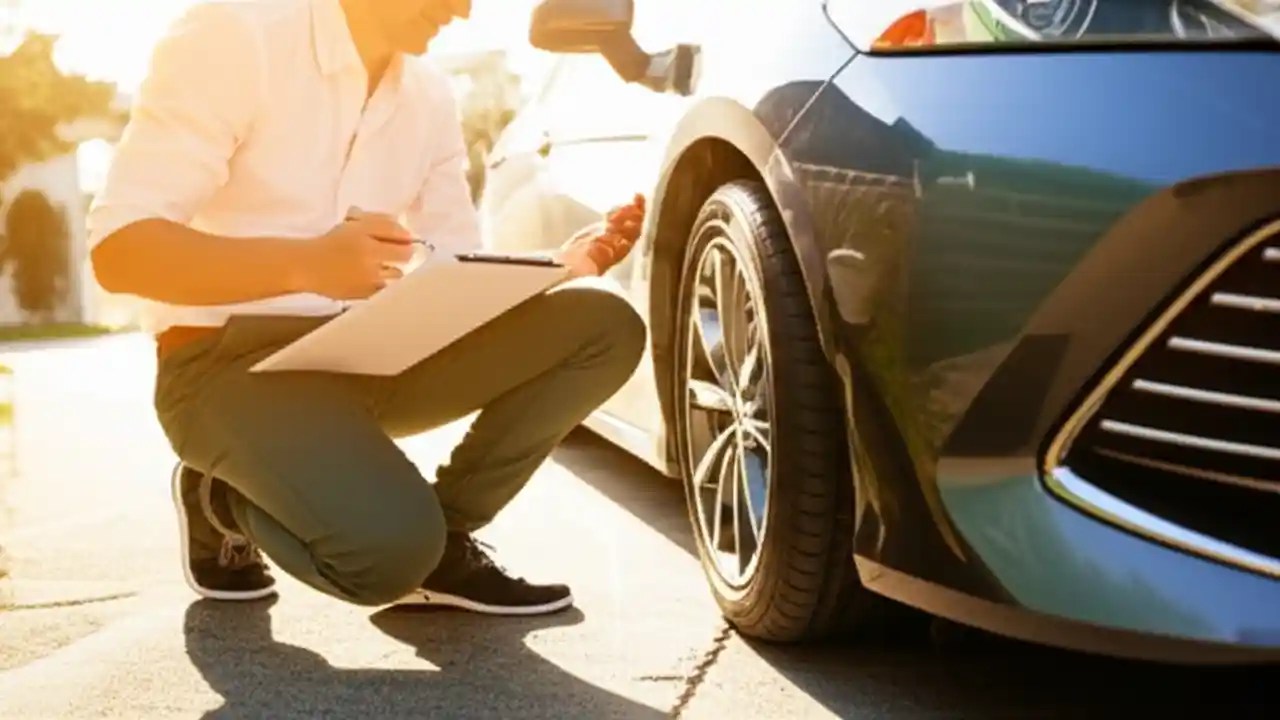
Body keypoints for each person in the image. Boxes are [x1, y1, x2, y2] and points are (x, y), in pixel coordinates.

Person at [87, 0, 648, 616]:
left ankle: (446, 542)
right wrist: (307, 264)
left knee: (603, 323)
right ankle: (222, 496)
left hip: (368, 353)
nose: (463, 12)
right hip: (225, 368)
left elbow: (456, 267)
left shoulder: (428, 96)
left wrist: (557, 266)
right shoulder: (232, 36)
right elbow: (120, 250)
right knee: (383, 561)